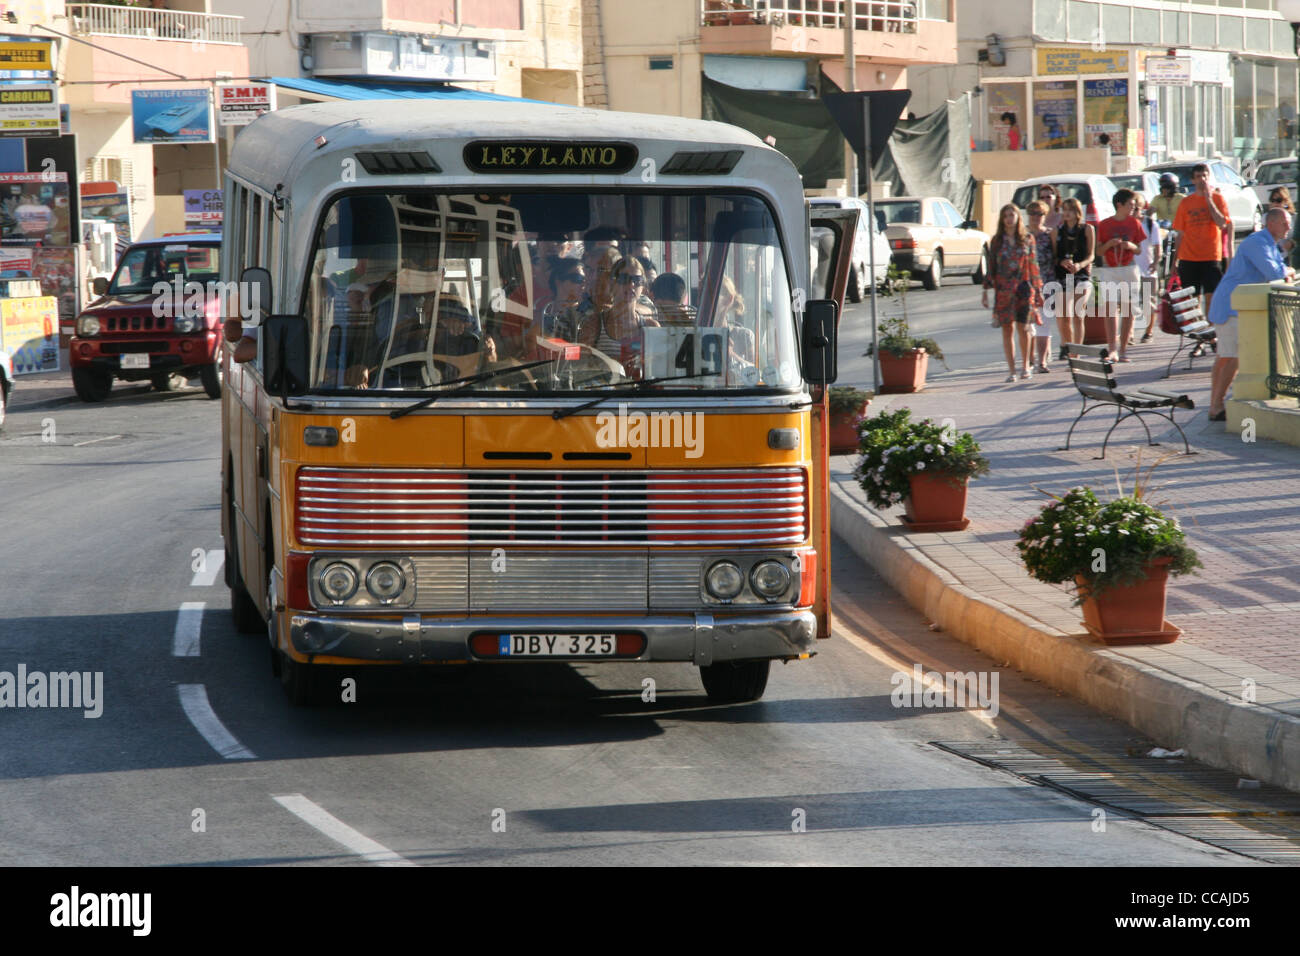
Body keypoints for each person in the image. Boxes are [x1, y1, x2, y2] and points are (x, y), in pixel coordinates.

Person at [1205, 207, 1295, 421]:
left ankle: (1215, 403)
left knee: (1226, 356)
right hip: (1231, 306)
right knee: (1232, 357)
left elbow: (1280, 268)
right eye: (1284, 223)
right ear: (1271, 223)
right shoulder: (1257, 242)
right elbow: (1274, 272)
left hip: (1234, 305)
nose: (1288, 227)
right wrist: (1288, 272)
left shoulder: (1269, 243)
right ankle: (1216, 406)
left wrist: (1286, 271)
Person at [982, 203, 1043, 382]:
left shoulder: (1027, 238)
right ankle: (1011, 370)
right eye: (1006, 215)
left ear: (1018, 217)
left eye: (1012, 215)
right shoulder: (997, 241)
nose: (1009, 219)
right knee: (1007, 328)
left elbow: (1033, 265)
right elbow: (991, 266)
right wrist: (985, 290)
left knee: (1024, 327)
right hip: (1003, 290)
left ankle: (1026, 366)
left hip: (1023, 288)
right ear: (1002, 219)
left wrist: (1038, 290)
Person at [1171, 163, 1231, 319]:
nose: (1202, 179)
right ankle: (1199, 334)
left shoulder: (1218, 199)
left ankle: (1211, 335)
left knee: (1211, 299)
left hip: (1211, 257)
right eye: (1198, 176)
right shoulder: (1185, 203)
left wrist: (1209, 199)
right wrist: (1174, 261)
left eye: (1205, 175)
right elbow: (1180, 234)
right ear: (1193, 180)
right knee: (1192, 301)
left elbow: (1222, 223)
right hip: (1189, 258)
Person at [1095, 188, 1147, 362]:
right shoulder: (1104, 224)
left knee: (1128, 310)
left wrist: (1130, 246)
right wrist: (1110, 243)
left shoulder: (1135, 223)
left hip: (1128, 268)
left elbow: (1140, 249)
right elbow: (1099, 251)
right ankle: (1112, 350)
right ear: (1120, 204)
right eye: (1130, 204)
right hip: (1109, 269)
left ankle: (1123, 349)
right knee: (1110, 310)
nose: (1133, 207)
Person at [590, 256, 660, 374]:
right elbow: (581, 364)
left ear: (643, 287)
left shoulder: (651, 327)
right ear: (612, 283)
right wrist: (613, 364)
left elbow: (659, 366)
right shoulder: (595, 323)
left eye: (637, 280)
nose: (631, 285)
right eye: (624, 279)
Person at [1054, 197, 1094, 360]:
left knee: (1078, 314)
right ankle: (1069, 347)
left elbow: (1091, 255)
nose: (1067, 213)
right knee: (1064, 318)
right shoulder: (1057, 231)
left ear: (1077, 212)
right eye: (1064, 209)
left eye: (1070, 209)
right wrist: (1062, 262)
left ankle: (1076, 354)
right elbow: (1054, 257)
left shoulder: (1087, 229)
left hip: (1081, 275)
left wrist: (1080, 265)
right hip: (1063, 276)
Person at [1026, 200, 1056, 373]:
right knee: (1029, 324)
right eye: (1033, 214)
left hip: (1047, 282)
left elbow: (1056, 257)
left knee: (1044, 323)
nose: (1036, 217)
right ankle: (1029, 359)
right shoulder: (1023, 234)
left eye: (1040, 214)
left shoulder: (1049, 234)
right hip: (1027, 284)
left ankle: (1042, 361)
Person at [1132, 192, 1162, 344]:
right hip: (1131, 270)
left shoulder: (1150, 224)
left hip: (1147, 269)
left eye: (1137, 208)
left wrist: (1156, 262)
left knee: (1148, 302)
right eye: (1132, 208)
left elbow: (1158, 247)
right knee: (1130, 302)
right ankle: (1130, 333)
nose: (1134, 212)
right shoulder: (1127, 225)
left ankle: (1148, 331)